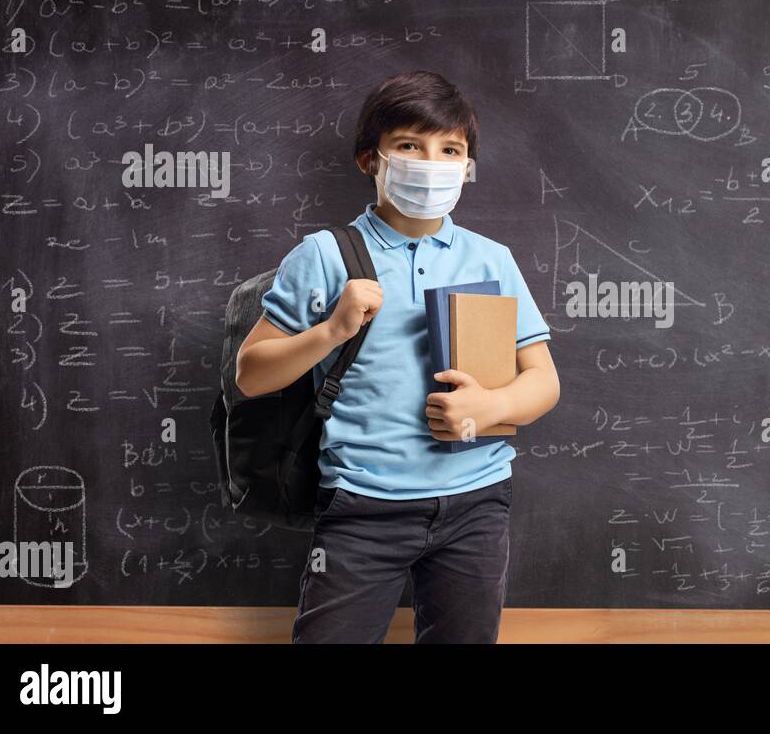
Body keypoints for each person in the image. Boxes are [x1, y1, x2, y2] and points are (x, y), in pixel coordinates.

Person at [234, 70, 560, 643]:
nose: (431, 163)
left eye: (450, 150)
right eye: (410, 145)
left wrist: (490, 407)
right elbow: (252, 374)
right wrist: (331, 330)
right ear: (371, 160)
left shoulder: (490, 261)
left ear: (467, 166)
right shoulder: (325, 256)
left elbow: (543, 382)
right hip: (361, 506)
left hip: (476, 504)